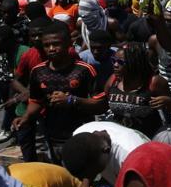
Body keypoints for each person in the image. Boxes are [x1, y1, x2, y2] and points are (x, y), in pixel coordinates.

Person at [16, 22, 107, 163]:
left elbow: (101, 104)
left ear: (68, 44)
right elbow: (36, 101)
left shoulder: (84, 70)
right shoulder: (38, 72)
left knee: (78, 176)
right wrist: (26, 117)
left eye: (56, 44)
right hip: (51, 136)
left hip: (80, 135)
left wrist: (72, 100)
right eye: (47, 45)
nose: (51, 49)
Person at [105, 42, 171, 139]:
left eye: (121, 62)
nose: (115, 65)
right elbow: (102, 103)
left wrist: (168, 101)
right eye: (113, 60)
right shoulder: (113, 80)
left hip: (146, 139)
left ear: (135, 63)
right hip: (119, 138)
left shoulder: (154, 82)